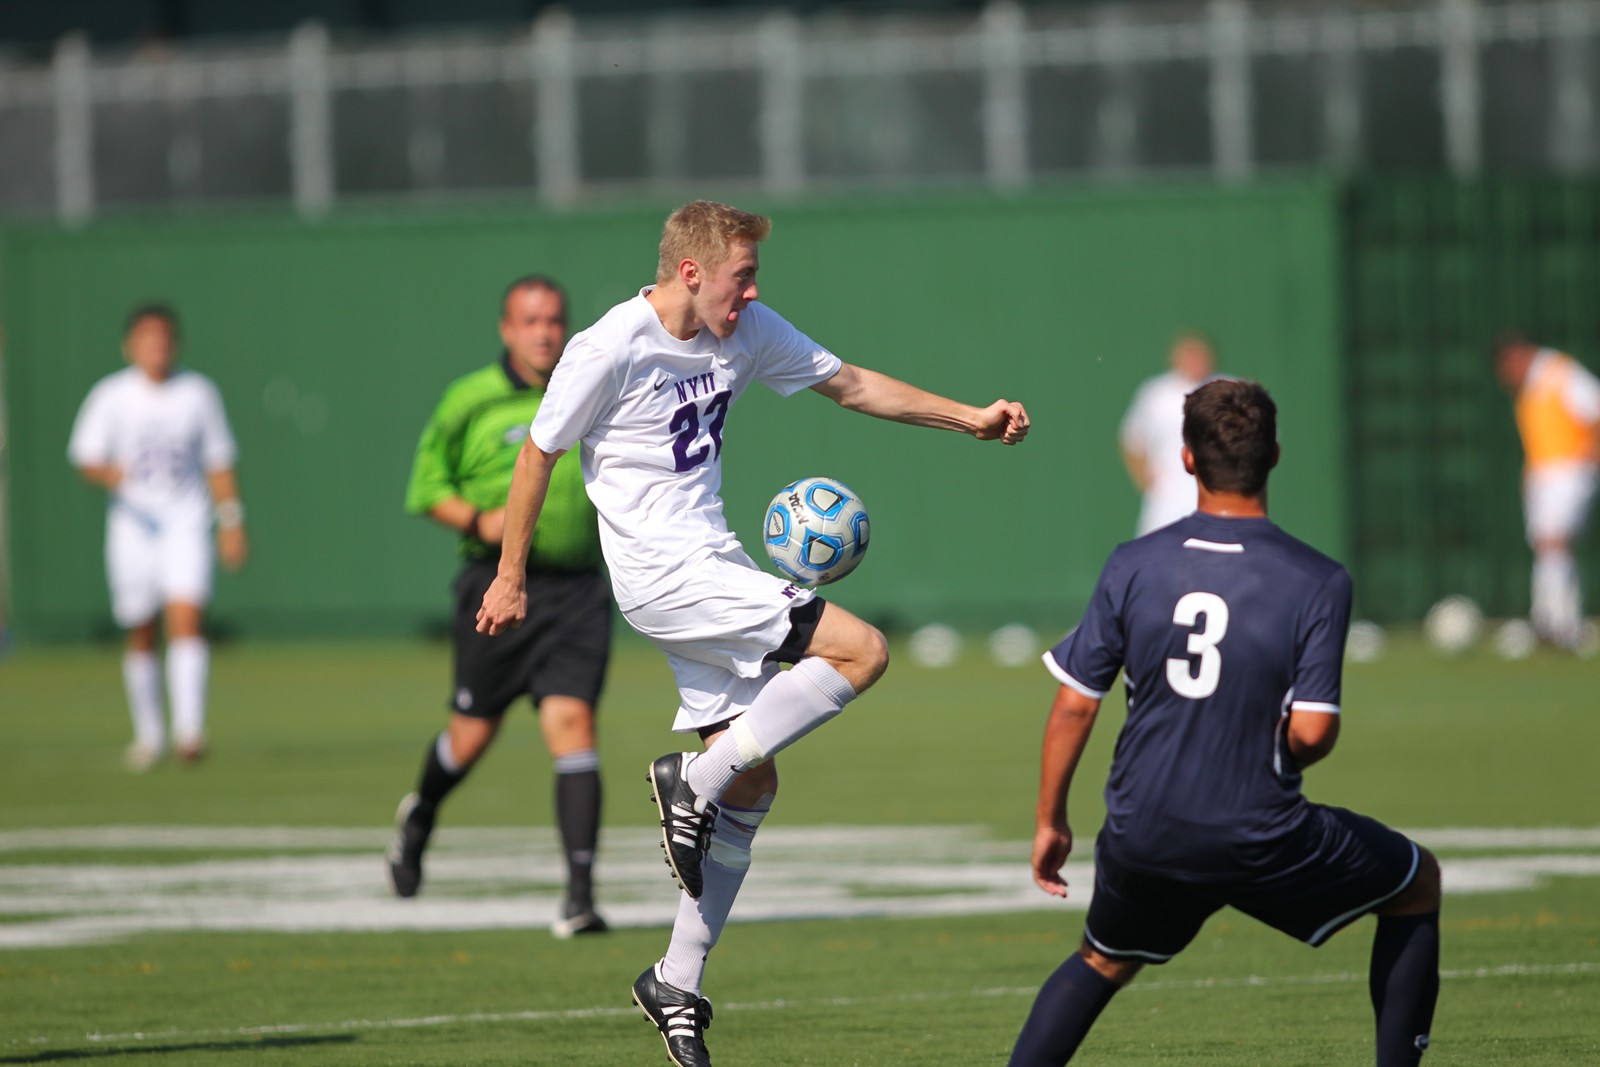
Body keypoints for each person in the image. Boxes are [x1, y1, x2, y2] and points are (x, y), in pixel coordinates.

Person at [475, 200, 1029, 1067]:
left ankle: (676, 980)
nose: (754, 291)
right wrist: (509, 575)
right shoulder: (610, 345)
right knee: (864, 650)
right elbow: (538, 452)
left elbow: (850, 383)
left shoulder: (745, 331)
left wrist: (970, 417)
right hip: (665, 575)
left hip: (713, 560)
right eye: (742, 276)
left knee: (754, 781)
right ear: (691, 272)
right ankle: (690, 779)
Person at [1009, 379, 1440, 1067]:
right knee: (1416, 883)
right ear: (1275, 455)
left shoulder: (1132, 564)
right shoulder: (1318, 579)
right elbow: (1312, 732)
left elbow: (1075, 703)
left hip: (1145, 829)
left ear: (1186, 458)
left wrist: (1049, 821)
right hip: (1258, 831)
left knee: (1103, 958)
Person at [387, 275, 612, 940]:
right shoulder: (470, 399)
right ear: (507, 329)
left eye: (554, 320)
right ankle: (421, 813)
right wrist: (478, 521)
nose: (544, 333)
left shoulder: (590, 386)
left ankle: (579, 896)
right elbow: (426, 486)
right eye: (530, 321)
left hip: (577, 590)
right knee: (471, 736)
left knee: (572, 723)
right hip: (496, 583)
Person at [67, 303, 248, 771]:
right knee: (142, 627)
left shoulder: (197, 393)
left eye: (165, 338)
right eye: (148, 338)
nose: (157, 346)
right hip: (133, 529)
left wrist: (232, 520)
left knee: (186, 617)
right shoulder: (111, 395)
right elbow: (85, 455)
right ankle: (149, 735)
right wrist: (112, 473)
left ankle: (190, 731)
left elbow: (218, 461)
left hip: (186, 523)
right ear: (130, 345)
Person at [1493, 334, 1599, 653]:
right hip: (1544, 475)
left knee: (1555, 541)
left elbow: (1595, 406)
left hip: (1570, 471)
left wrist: (1591, 454)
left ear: (1517, 355)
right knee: (1547, 546)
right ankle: (1549, 622)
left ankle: (1562, 624)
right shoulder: (1530, 387)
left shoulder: (1559, 372)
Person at [1118, 332, 1217, 535]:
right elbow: (1132, 439)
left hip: (1216, 494)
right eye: (1190, 356)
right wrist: (1146, 479)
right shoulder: (1157, 393)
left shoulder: (1228, 389)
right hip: (1168, 498)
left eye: (1200, 356)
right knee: (1155, 550)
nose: (1195, 362)